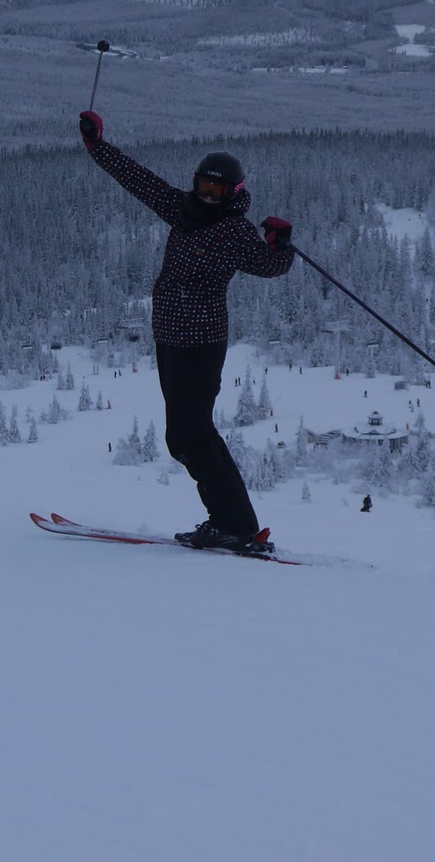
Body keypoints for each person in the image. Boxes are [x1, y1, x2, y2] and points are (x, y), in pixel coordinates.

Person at [79, 109, 294, 554]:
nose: (209, 197)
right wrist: (98, 147)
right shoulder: (184, 211)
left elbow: (269, 265)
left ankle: (232, 524)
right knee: (196, 433)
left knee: (186, 437)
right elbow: (139, 181)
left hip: (201, 344)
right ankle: (236, 523)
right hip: (170, 340)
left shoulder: (234, 232)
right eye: (204, 187)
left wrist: (280, 246)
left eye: (218, 191)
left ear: (233, 193)